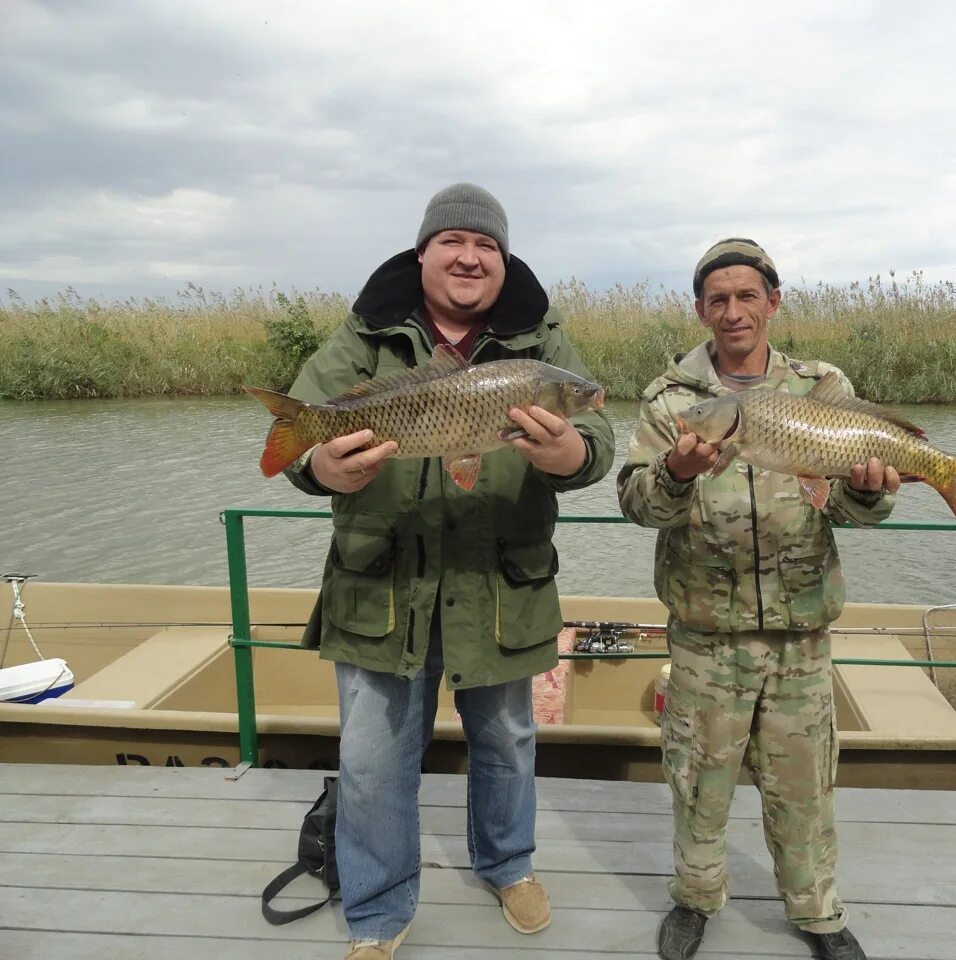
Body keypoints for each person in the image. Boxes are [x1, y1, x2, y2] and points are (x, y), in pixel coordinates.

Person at [280, 183, 615, 960]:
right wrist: (321, 466)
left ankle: (507, 865)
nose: (470, 257)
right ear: (423, 252)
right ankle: (377, 908)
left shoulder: (541, 343)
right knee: (371, 760)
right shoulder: (363, 337)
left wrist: (572, 454)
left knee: (507, 743)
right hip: (382, 585)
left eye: (487, 246)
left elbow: (596, 434)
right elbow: (295, 434)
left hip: (501, 585)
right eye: (453, 242)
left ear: (504, 261)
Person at [617, 238, 900, 960]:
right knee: (698, 785)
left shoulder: (823, 386)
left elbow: (853, 513)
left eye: (748, 296)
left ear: (774, 302)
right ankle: (694, 899)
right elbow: (638, 506)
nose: (733, 311)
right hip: (705, 633)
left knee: (804, 790)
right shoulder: (668, 399)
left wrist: (868, 493)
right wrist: (677, 474)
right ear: (701, 310)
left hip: (801, 629)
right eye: (718, 299)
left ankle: (818, 914)